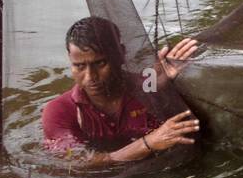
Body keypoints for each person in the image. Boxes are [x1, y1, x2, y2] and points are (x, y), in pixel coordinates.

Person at [42, 16, 201, 166]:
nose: (90, 76)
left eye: (100, 63)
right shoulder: (59, 111)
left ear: (121, 54)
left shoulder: (149, 86)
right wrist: (148, 143)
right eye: (79, 66)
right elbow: (76, 162)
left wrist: (168, 86)